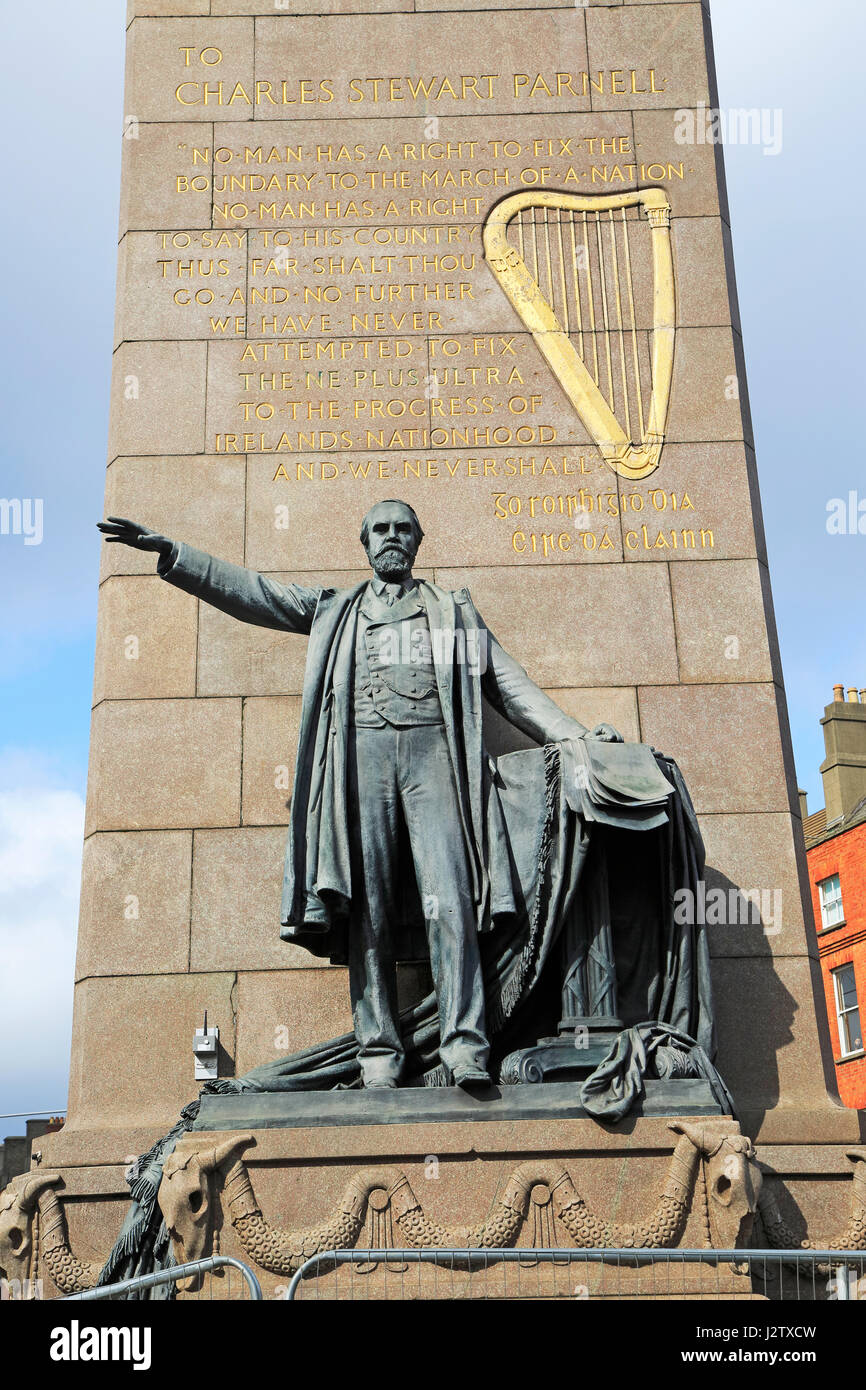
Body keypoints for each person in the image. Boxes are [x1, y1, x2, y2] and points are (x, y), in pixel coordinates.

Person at [99, 501, 621, 1089]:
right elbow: (255, 594)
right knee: (365, 906)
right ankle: (378, 1050)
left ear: (419, 541)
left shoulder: (451, 612)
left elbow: (507, 686)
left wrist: (576, 736)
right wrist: (176, 555)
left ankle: (466, 1044)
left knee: (449, 901)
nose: (392, 537)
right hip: (363, 762)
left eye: (403, 529)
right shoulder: (336, 610)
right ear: (366, 543)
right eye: (381, 529)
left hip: (436, 762)